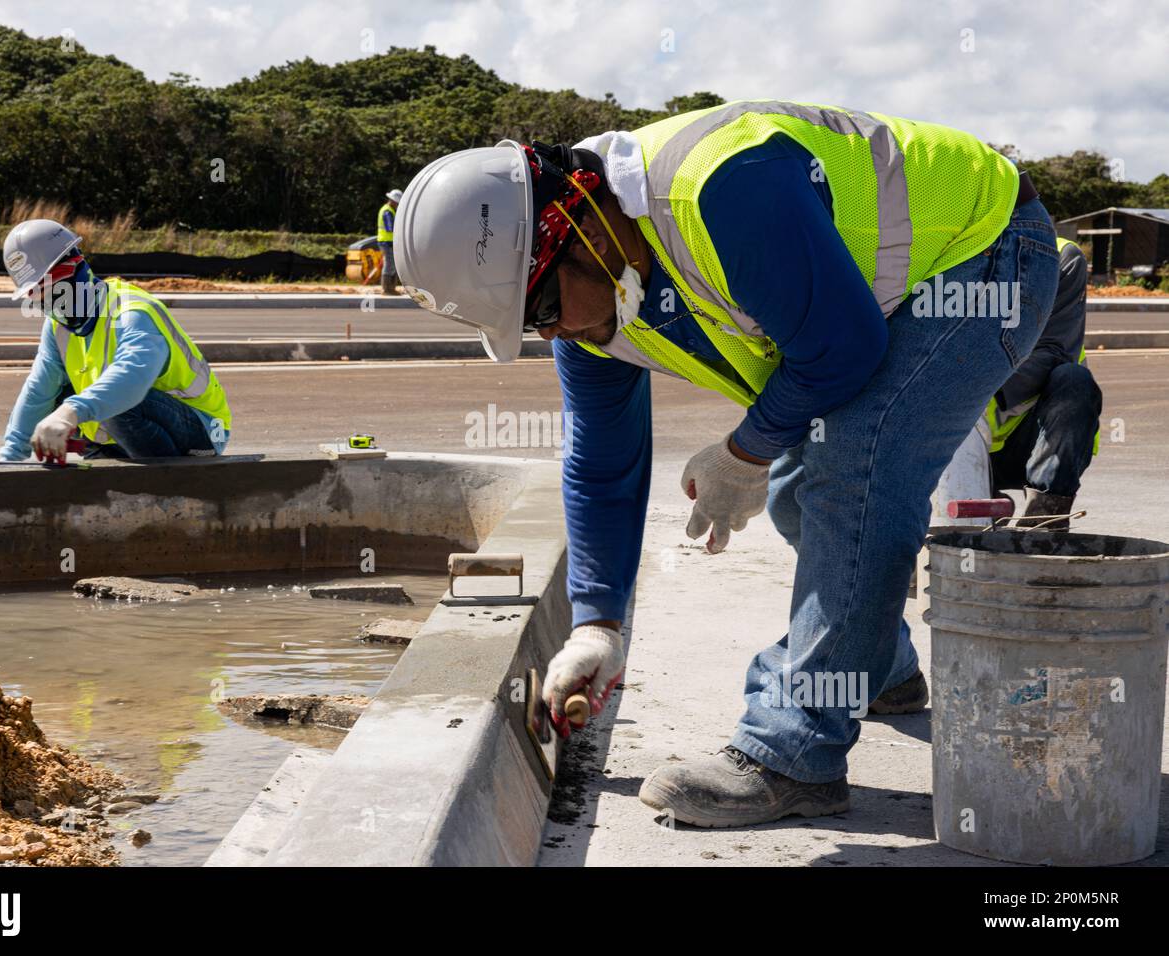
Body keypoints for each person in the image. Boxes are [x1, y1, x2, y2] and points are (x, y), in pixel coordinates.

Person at [393, 101, 1061, 827]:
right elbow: (601, 463)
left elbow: (842, 349)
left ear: (582, 222)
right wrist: (598, 623)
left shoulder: (721, 189)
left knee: (852, 475)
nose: (554, 330)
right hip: (878, 298)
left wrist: (745, 451)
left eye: (545, 304)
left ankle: (793, 753)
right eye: (529, 325)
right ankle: (881, 667)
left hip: (983, 253)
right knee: (796, 495)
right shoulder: (589, 298)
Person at [0, 219, 232, 463]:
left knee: (115, 403)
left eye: (48, 288)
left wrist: (69, 413)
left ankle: (160, 485)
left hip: (202, 430)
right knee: (60, 395)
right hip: (132, 431)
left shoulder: (132, 310)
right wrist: (10, 456)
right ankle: (104, 457)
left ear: (75, 270)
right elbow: (39, 390)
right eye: (35, 294)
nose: (44, 301)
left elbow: (132, 376)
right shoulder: (58, 328)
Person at [985, 238, 1101, 530]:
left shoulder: (1060, 256)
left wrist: (972, 384)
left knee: (1074, 381)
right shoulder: (949, 253)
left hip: (1027, 442)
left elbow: (1054, 350)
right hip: (945, 442)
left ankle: (1043, 524)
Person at [377, 189, 402, 295]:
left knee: (392, 264)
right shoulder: (387, 211)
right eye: (397, 203)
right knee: (389, 264)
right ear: (392, 201)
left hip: (388, 242)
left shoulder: (389, 210)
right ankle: (387, 289)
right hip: (386, 242)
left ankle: (391, 288)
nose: (397, 205)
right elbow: (390, 228)